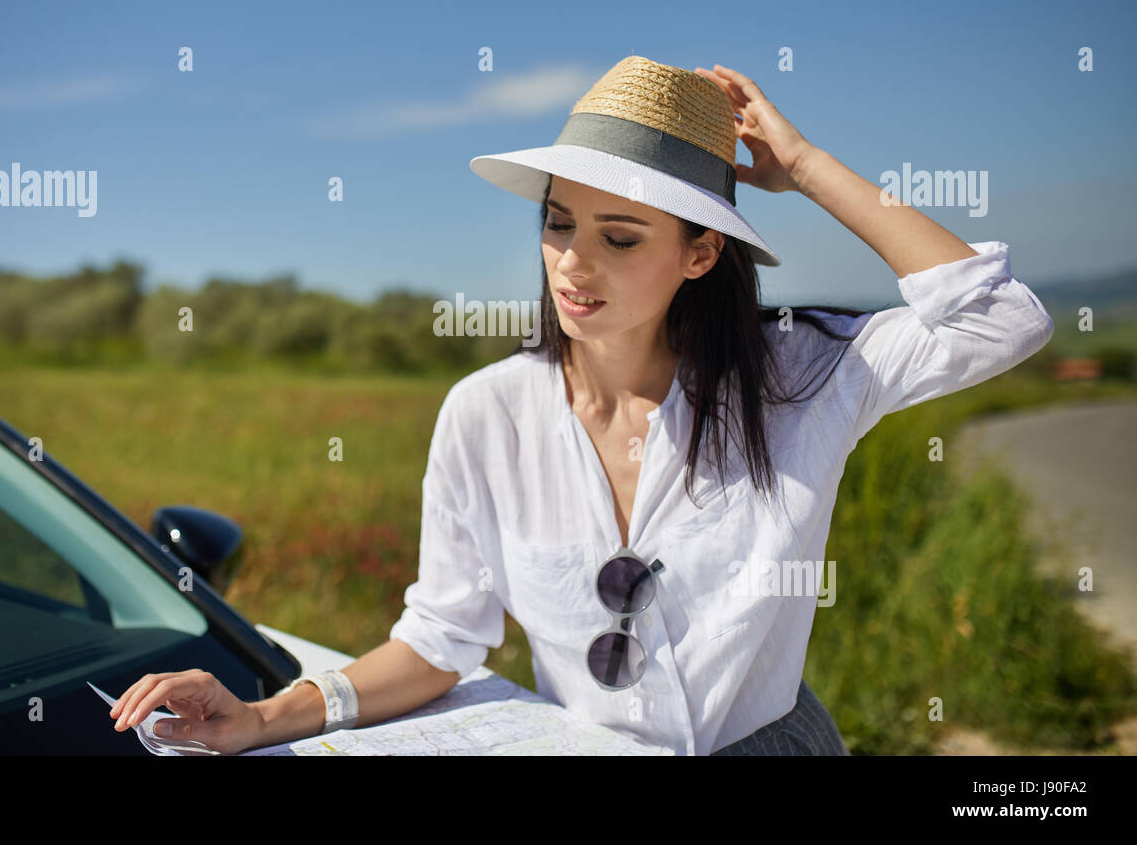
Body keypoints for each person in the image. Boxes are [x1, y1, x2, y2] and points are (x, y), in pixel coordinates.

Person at [108, 56, 1055, 755]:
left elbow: (1001, 318)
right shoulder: (487, 414)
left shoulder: (795, 377)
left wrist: (802, 165)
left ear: (700, 253)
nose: (573, 261)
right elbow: (440, 642)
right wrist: (262, 717)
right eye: (558, 223)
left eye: (620, 235)